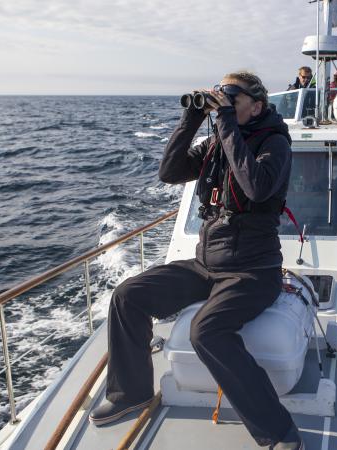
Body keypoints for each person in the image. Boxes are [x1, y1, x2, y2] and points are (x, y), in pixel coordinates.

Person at [89, 71, 303, 450]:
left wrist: (223, 124)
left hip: (254, 270)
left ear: (256, 106)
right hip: (207, 264)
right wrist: (190, 120)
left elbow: (256, 186)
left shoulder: (275, 144)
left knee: (207, 331)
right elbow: (169, 172)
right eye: (219, 97)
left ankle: (279, 432)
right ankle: (130, 393)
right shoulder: (217, 143)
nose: (222, 105)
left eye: (231, 99)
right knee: (128, 295)